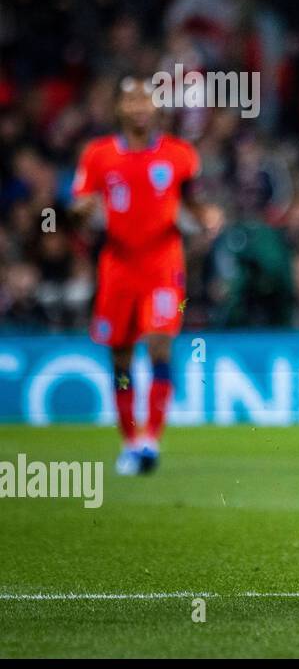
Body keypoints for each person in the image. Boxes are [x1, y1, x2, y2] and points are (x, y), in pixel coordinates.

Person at [71, 75, 201, 476]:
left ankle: (151, 441)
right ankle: (130, 440)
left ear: (156, 107)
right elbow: (79, 204)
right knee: (121, 359)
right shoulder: (98, 154)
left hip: (164, 264)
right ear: (119, 108)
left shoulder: (180, 155)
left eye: (146, 99)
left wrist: (205, 218)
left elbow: (195, 204)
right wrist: (82, 212)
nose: (139, 107)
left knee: (160, 344)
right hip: (118, 267)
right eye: (131, 100)